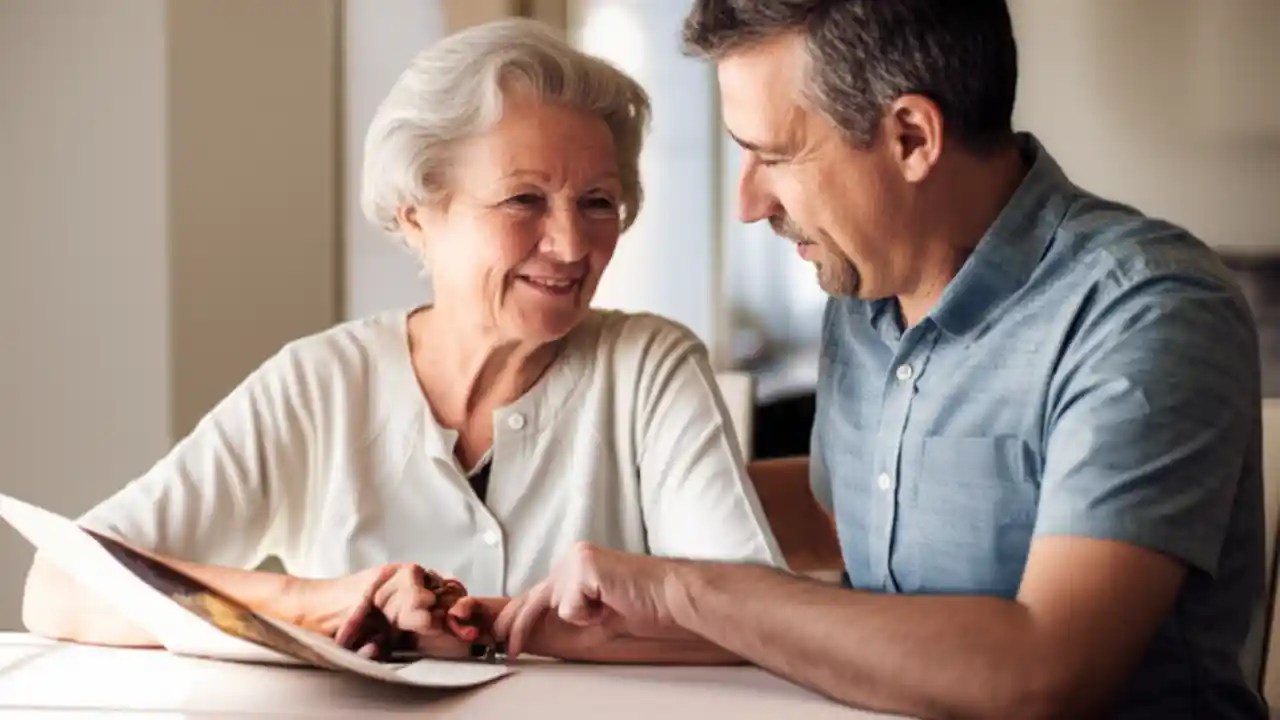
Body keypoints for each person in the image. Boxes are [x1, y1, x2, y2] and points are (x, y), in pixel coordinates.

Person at [496, 2, 1268, 717]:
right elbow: (852, 516)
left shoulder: (1145, 308)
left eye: (774, 155)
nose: (749, 203)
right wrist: (519, 570)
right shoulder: (864, 296)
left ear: (912, 137)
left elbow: (1046, 669)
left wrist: (682, 587)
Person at [21, 18, 784, 660]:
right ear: (417, 214)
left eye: (598, 202)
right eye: (524, 199)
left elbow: (757, 620)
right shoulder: (320, 383)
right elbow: (62, 584)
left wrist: (506, 627)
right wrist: (315, 604)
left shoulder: (649, 367)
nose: (572, 242)